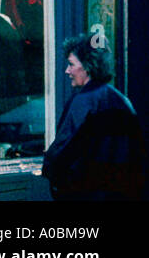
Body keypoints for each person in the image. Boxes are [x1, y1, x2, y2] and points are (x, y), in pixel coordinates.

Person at [42, 34, 147, 201]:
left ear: (88, 66)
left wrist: (49, 167)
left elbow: (61, 153)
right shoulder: (123, 102)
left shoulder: (83, 102)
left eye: (71, 64)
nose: (67, 71)